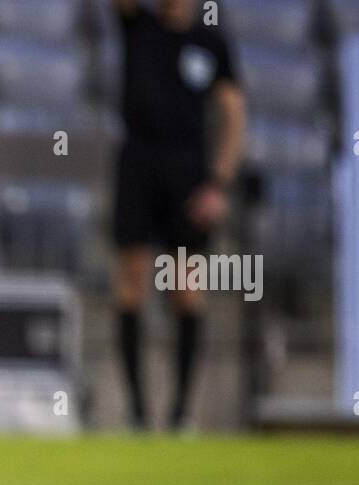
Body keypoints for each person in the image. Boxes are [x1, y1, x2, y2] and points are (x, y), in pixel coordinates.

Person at [111, 0, 247, 429]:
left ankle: (180, 413)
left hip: (188, 173)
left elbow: (233, 114)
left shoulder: (211, 42)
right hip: (138, 164)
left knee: (185, 288)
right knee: (131, 284)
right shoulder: (138, 26)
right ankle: (136, 413)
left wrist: (219, 183)